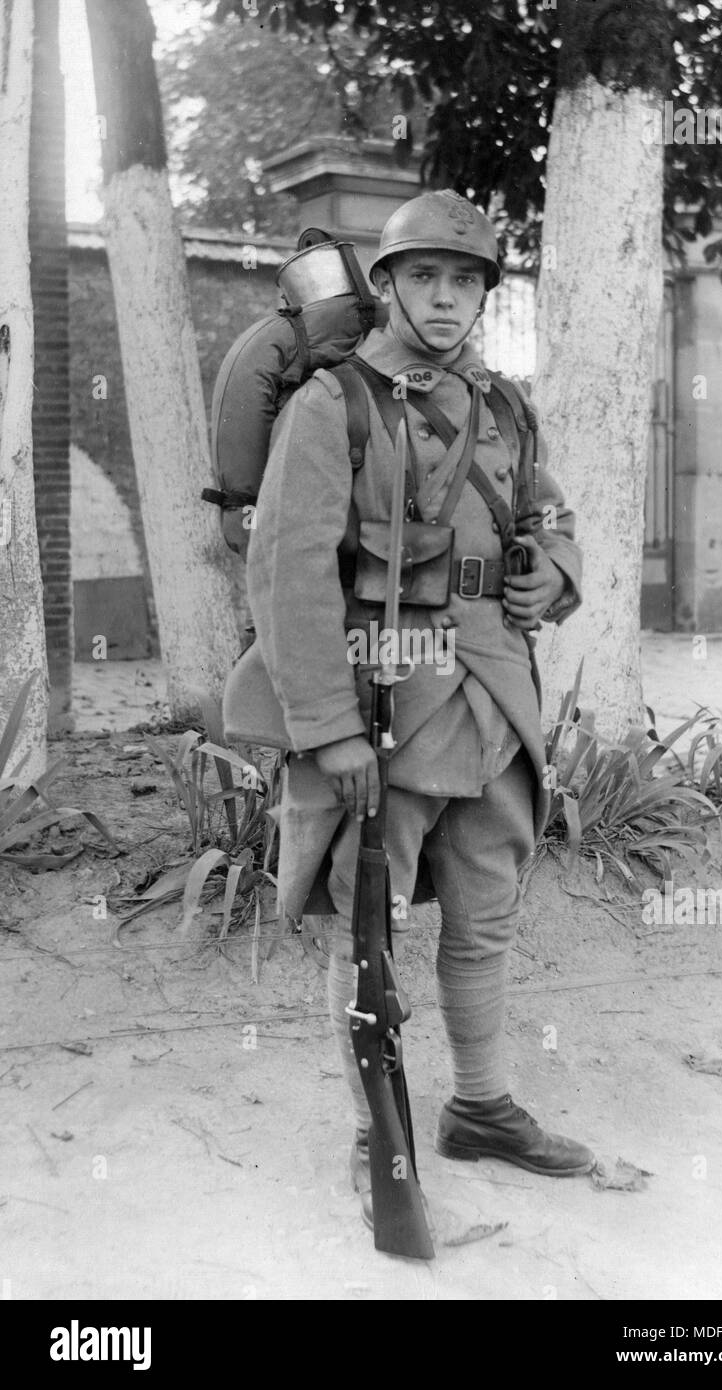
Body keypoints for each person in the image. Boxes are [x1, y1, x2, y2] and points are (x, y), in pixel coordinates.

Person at [223, 189, 594, 1231]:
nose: (446, 296)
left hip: (494, 695)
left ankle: (479, 1107)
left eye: (466, 279)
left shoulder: (504, 403)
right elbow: (288, 576)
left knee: (486, 916)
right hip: (386, 692)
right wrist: (331, 729)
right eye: (425, 275)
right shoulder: (333, 404)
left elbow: (549, 508)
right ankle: (369, 1125)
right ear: (386, 284)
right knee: (367, 929)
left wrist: (555, 572)